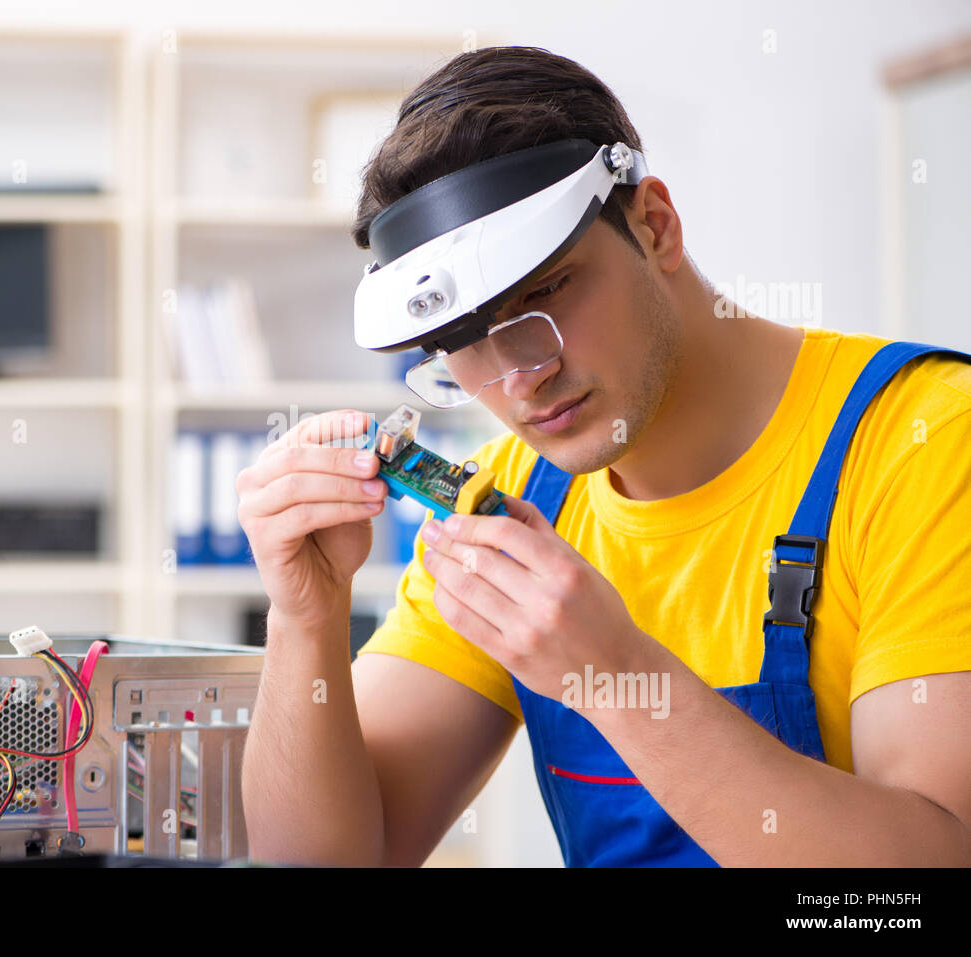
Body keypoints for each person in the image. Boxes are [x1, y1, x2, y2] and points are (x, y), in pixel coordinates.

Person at [236, 46, 971, 866]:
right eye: (461, 343)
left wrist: (617, 676)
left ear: (654, 225)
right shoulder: (517, 499)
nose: (520, 376)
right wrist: (305, 617)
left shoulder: (927, 440)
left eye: (543, 294)